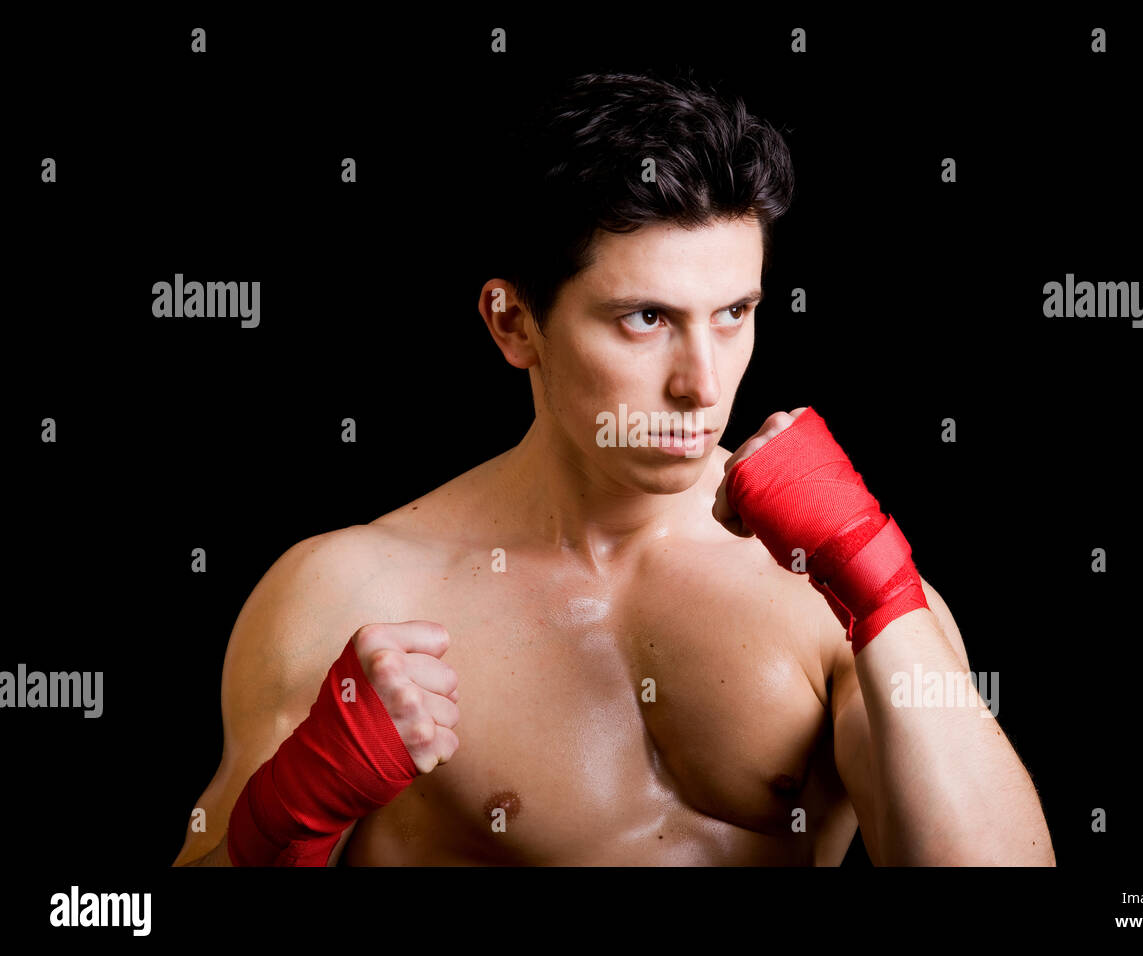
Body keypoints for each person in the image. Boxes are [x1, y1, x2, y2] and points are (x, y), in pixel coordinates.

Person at [172, 71, 1054, 867]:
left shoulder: (830, 579)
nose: (702, 385)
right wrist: (287, 817)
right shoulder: (347, 595)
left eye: (734, 312)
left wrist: (882, 589)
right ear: (512, 323)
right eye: (644, 319)